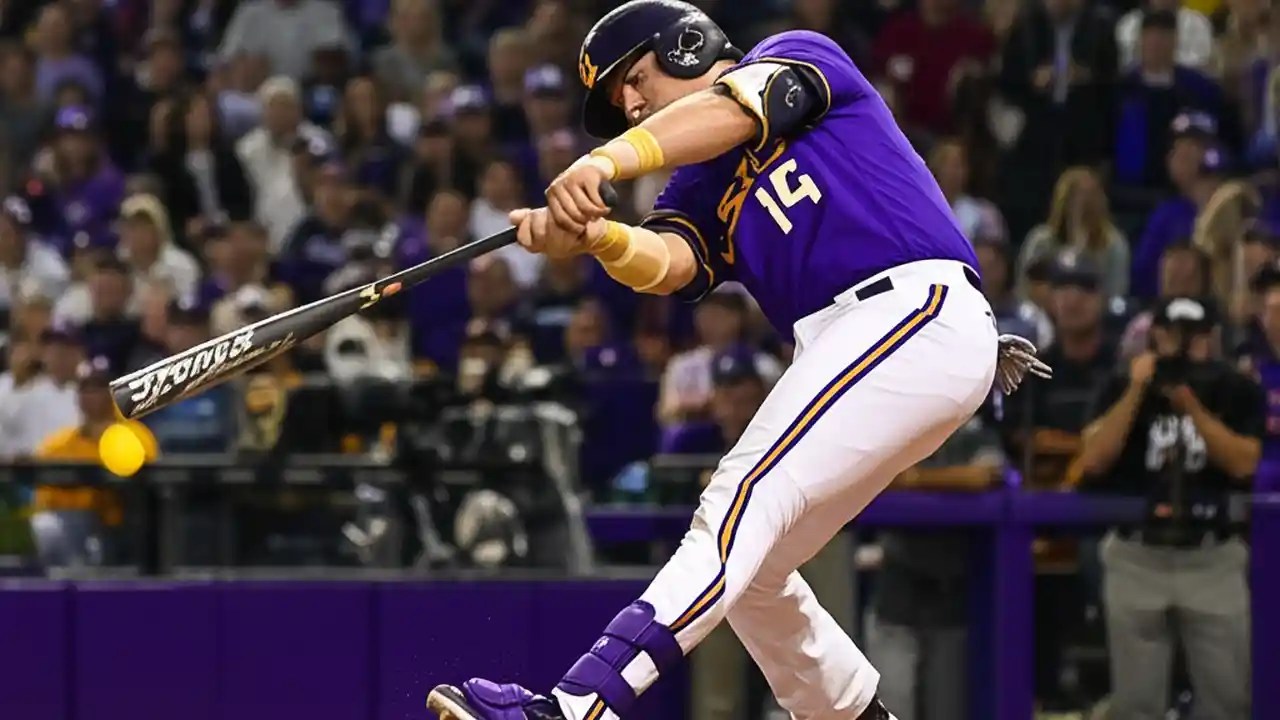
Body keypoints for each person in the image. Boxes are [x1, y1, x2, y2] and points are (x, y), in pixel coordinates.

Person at [424, 2, 1049, 719]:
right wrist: (596, 237)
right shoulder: (697, 182)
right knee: (752, 566)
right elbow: (671, 264)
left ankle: (577, 707)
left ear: (689, 46)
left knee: (736, 505)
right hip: (865, 341)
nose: (629, 104)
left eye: (635, 77)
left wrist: (600, 163)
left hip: (912, 309)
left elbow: (734, 111)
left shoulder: (794, 53)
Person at [1077, 296, 1258, 719]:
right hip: (1137, 556)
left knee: (1228, 703)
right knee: (1136, 706)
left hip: (1213, 558)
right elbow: (1093, 459)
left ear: (1211, 337)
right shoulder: (1123, 383)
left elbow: (1243, 462)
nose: (1180, 345)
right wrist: (1139, 388)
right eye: (1172, 333)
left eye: (1192, 335)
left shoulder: (1235, 387)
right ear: (1154, 333)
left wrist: (1191, 404)